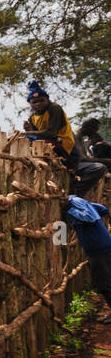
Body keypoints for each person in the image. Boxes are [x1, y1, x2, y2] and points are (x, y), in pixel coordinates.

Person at [24, 83, 105, 198]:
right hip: (51, 148)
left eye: (41, 100)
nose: (38, 104)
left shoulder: (54, 108)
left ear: (47, 99)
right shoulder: (32, 118)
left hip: (66, 150)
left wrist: (28, 133)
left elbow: (51, 133)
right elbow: (39, 137)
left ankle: (76, 194)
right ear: (30, 104)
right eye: (34, 102)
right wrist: (29, 132)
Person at [62, 195, 111, 323]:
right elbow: (103, 209)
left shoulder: (73, 204)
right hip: (102, 246)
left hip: (99, 249)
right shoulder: (80, 201)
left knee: (104, 284)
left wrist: (69, 211)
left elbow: (89, 218)